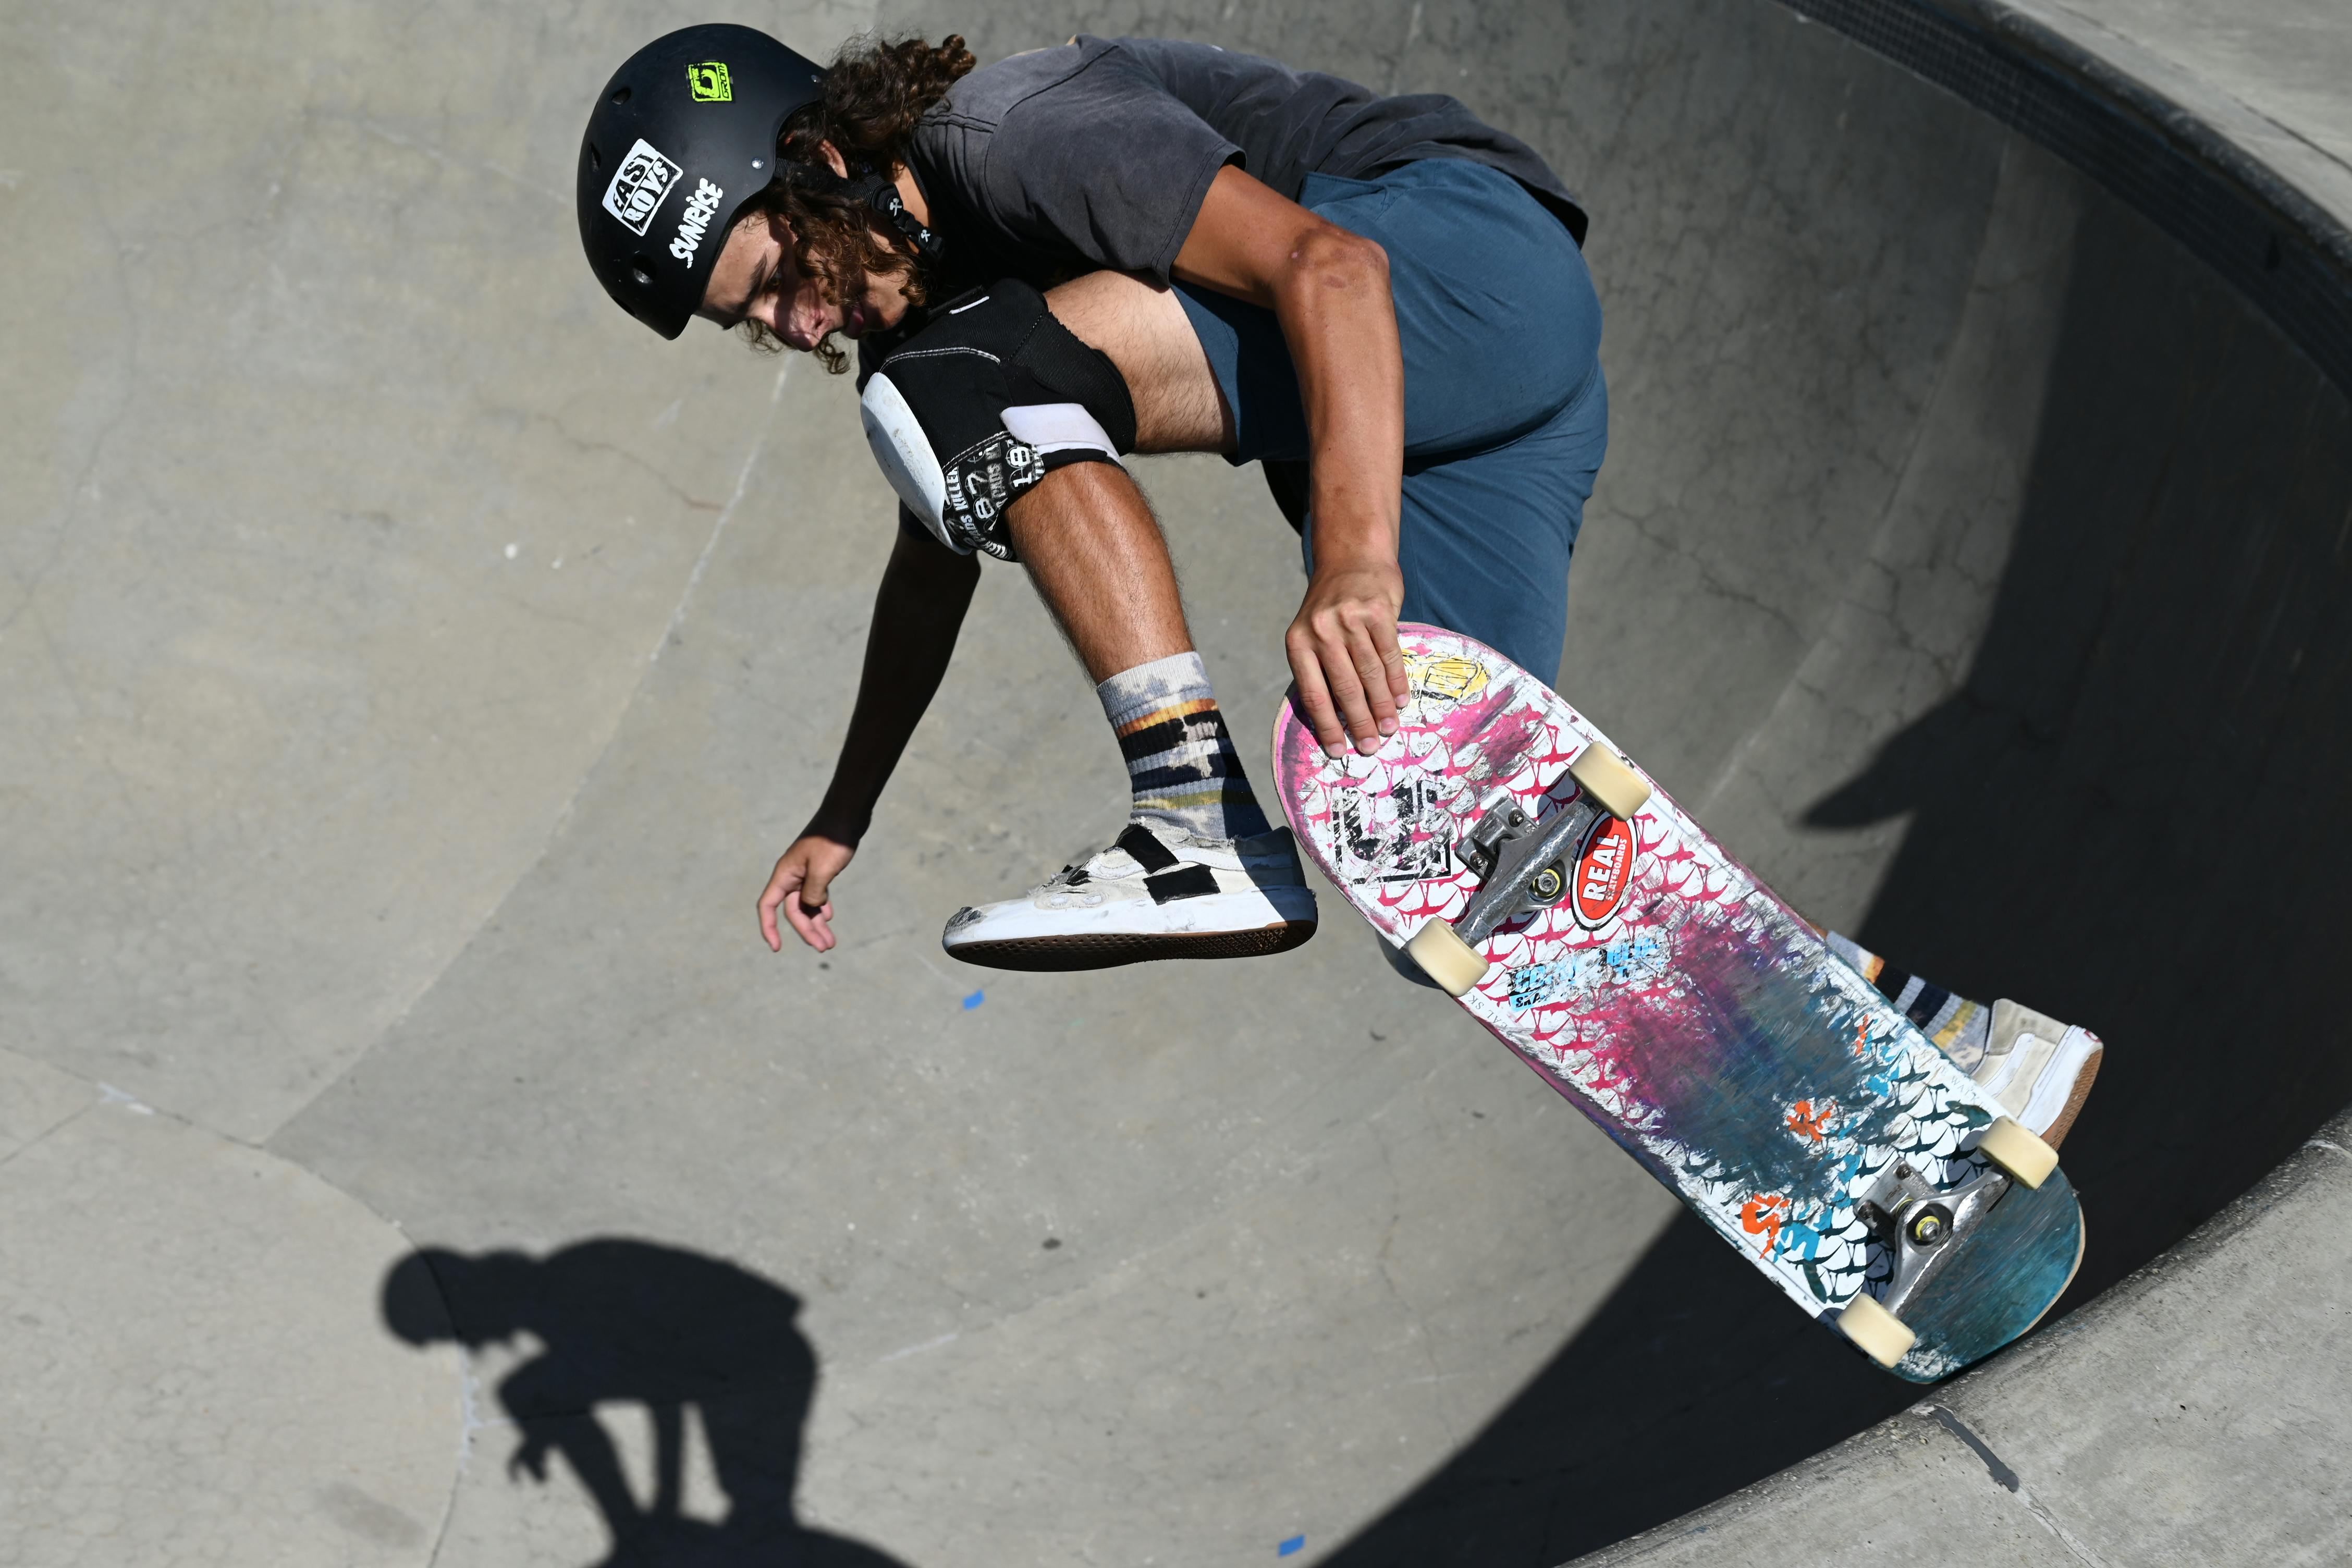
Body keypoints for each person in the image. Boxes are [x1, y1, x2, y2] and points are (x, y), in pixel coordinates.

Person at [574, 26, 2101, 1147]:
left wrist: (1356, 564)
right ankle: (1936, 1046)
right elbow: (940, 545)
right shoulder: (936, 298)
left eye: (774, 278)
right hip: (1478, 417)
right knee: (1458, 858)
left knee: (951, 383)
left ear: (820, 163)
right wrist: (849, 807)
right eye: (752, 325)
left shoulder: (1012, 129)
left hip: (1451, 272)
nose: (787, 326)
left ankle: (1195, 818)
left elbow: (1332, 276)